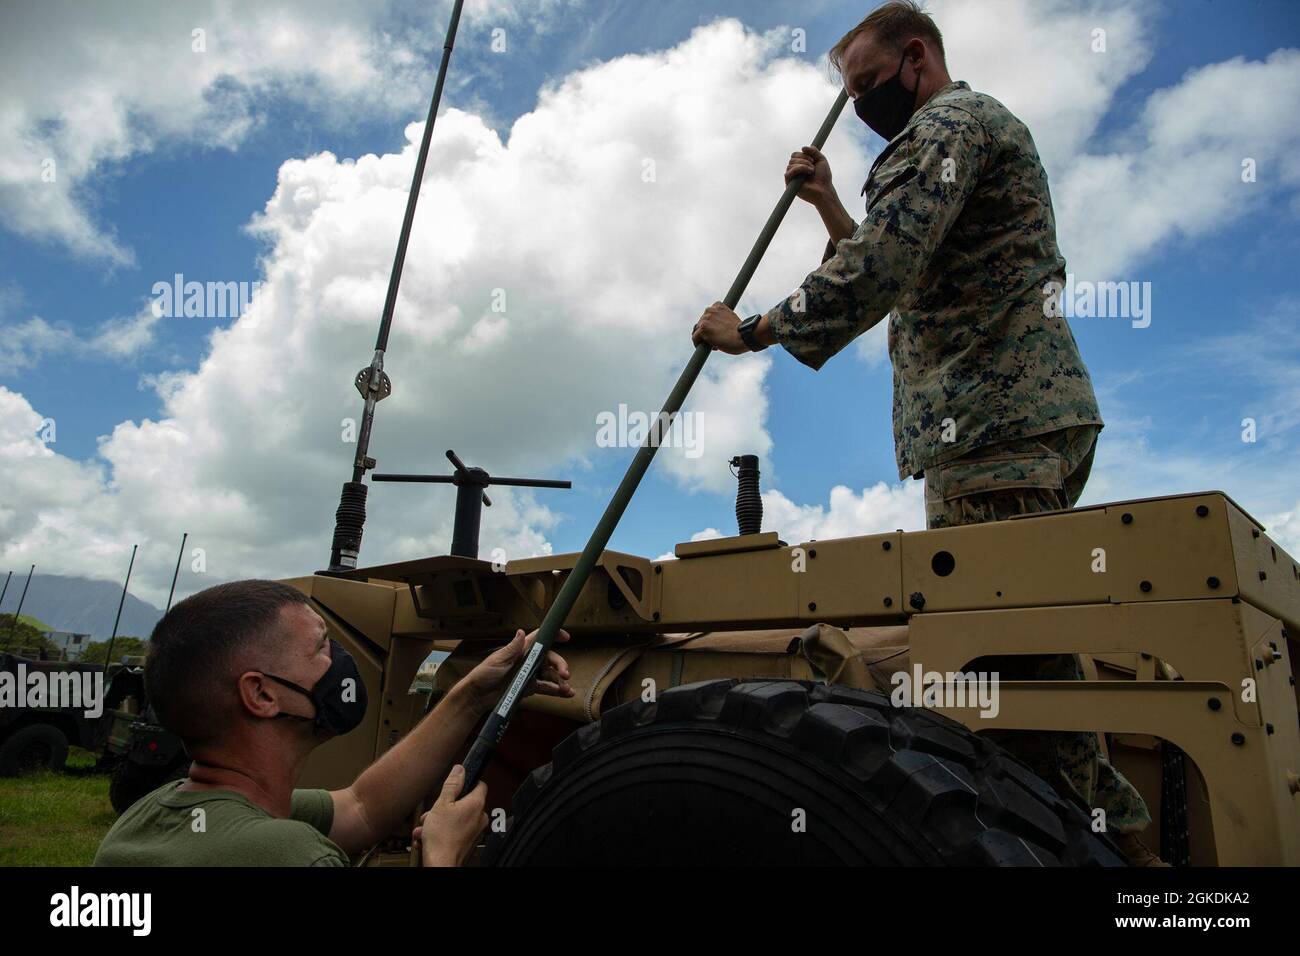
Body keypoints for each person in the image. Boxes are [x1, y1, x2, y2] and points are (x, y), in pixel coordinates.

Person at [691, 1, 1161, 865]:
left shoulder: (945, 126)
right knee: (1031, 668)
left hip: (993, 433)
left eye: (868, 84)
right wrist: (830, 200)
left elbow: (875, 272)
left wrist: (748, 331)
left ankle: (1131, 869)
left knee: (1015, 691)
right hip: (1013, 428)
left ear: (917, 58)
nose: (862, 105)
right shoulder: (964, 132)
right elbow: (905, 272)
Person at [94, 579, 572, 866]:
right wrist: (443, 853)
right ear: (261, 694)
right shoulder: (289, 855)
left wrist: (471, 694)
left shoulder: (152, 816)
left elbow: (362, 809)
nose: (340, 663)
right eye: (322, 647)